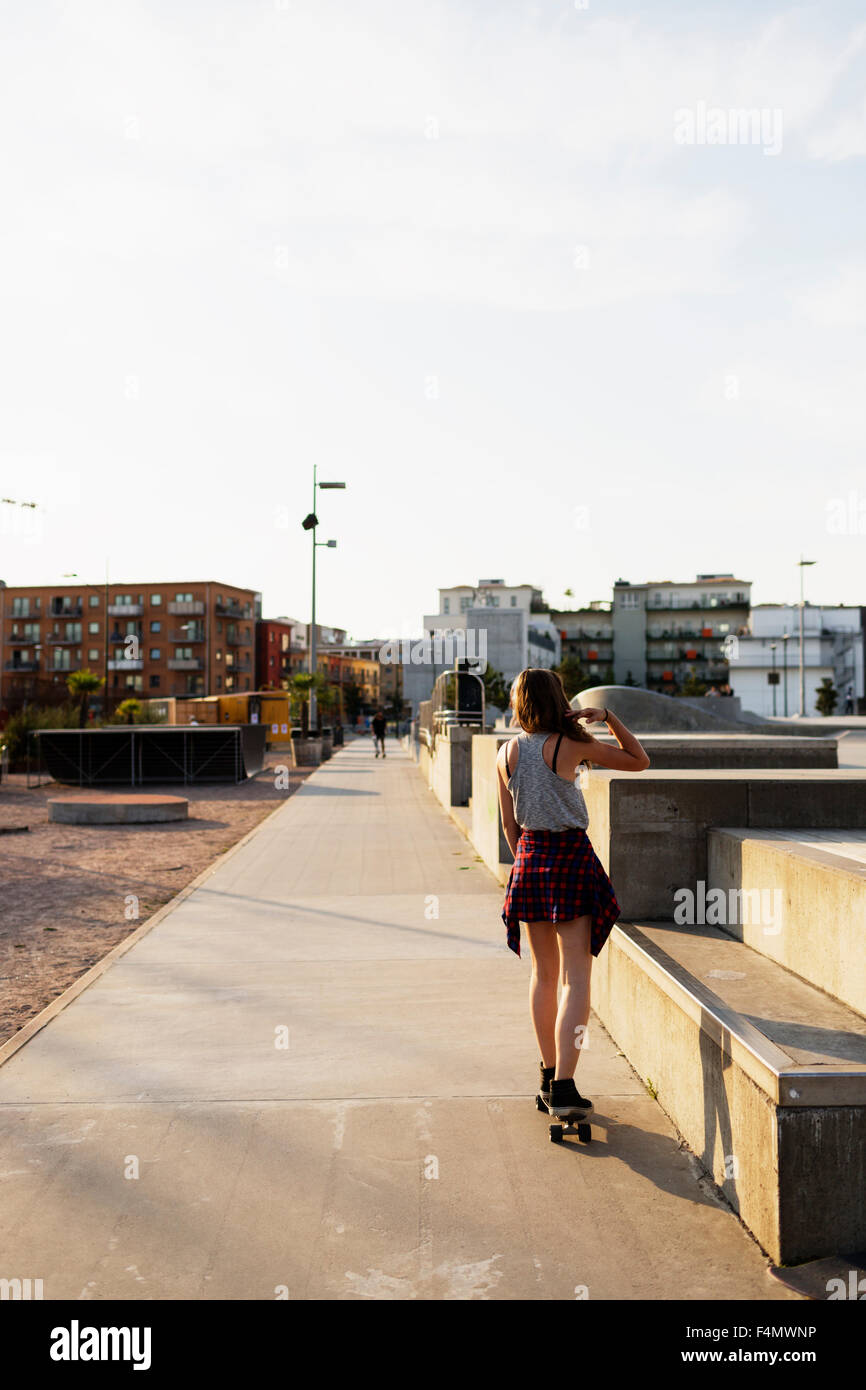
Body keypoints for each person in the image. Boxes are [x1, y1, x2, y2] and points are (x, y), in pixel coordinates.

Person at [498, 668, 650, 1124]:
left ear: (519, 702)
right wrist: (608, 717)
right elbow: (639, 760)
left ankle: (548, 1077)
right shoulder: (572, 745)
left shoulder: (505, 752)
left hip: (529, 860)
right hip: (569, 859)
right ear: (557, 699)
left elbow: (510, 826)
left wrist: (527, 863)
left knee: (543, 977)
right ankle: (565, 1086)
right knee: (576, 980)